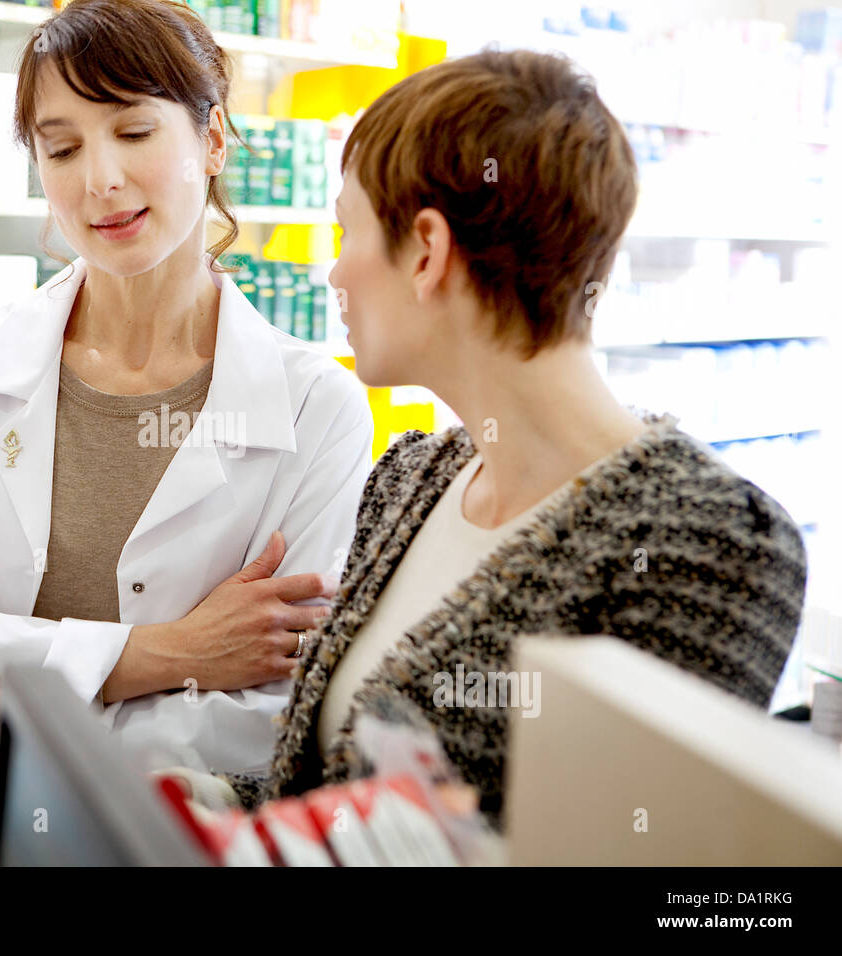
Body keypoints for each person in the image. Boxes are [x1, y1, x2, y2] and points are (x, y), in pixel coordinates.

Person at [170, 48, 807, 827]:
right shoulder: (411, 478)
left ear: (427, 251)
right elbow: (316, 791)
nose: (335, 276)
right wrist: (190, 800)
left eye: (348, 233)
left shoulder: (712, 543)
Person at [0, 0, 373, 819]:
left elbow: (271, 722)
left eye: (133, 132)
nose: (99, 179)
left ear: (211, 141)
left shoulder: (318, 410)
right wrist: (167, 653)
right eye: (61, 147)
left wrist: (4, 684)